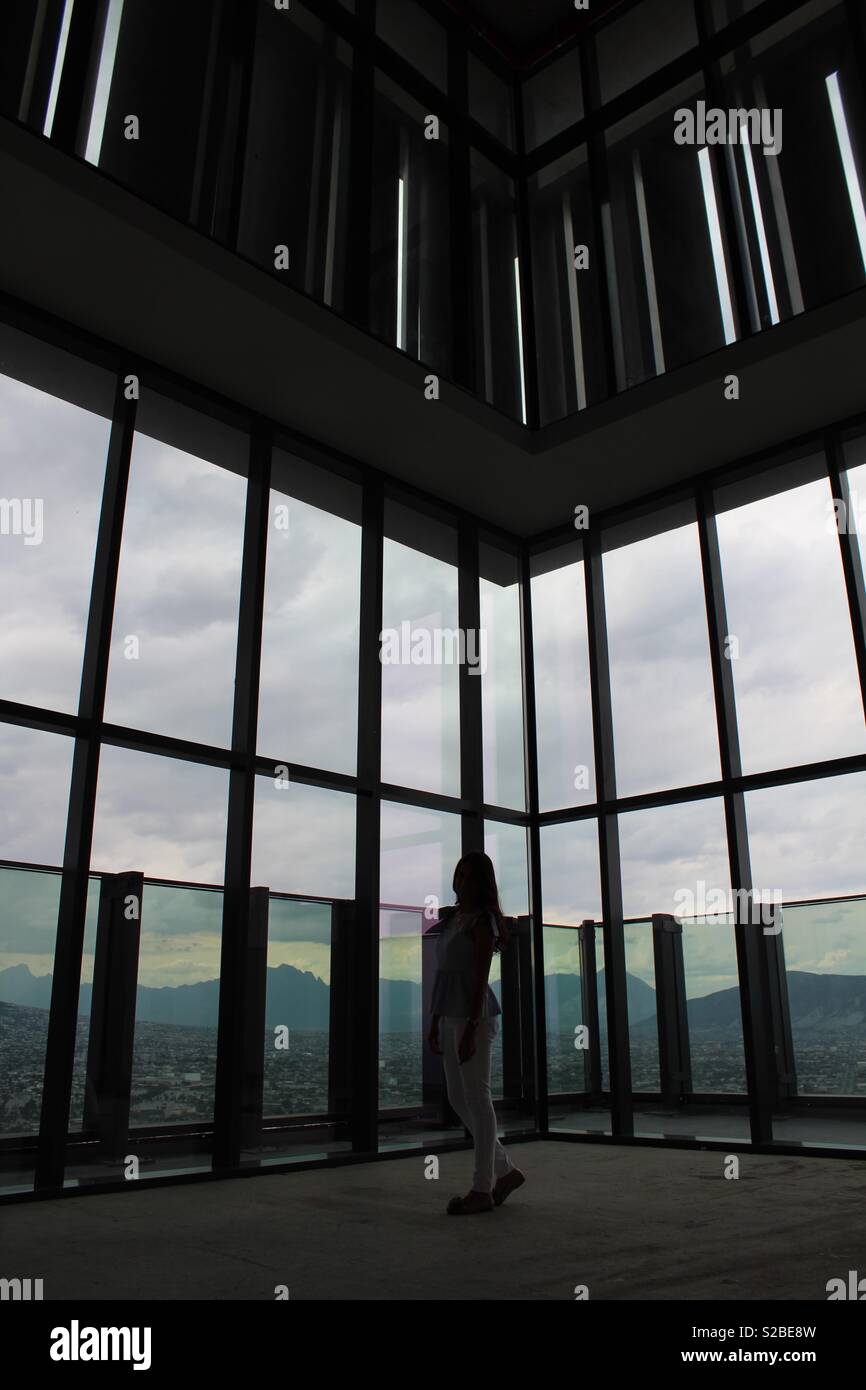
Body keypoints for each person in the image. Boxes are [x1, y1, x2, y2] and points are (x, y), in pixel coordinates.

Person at [428, 851, 526, 1215]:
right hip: (450, 1014)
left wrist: (470, 1027)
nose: (462, 881)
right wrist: (435, 1019)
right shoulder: (455, 919)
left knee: (477, 1097)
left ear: (482, 883)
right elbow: (444, 974)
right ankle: (505, 1172)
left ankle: (482, 1188)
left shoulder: (483, 922)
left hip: (474, 1016)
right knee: (458, 1097)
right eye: (460, 875)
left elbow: (479, 978)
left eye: (469, 876)